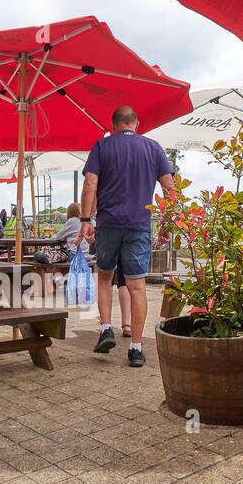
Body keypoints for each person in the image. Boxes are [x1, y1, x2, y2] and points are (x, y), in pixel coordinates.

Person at [79, 104, 175, 367]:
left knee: (104, 276)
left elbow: (90, 183)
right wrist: (168, 223)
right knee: (137, 286)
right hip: (139, 226)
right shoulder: (154, 147)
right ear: (136, 123)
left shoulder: (102, 146)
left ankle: (107, 329)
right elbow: (170, 189)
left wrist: (86, 220)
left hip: (108, 223)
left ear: (114, 125)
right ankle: (135, 348)